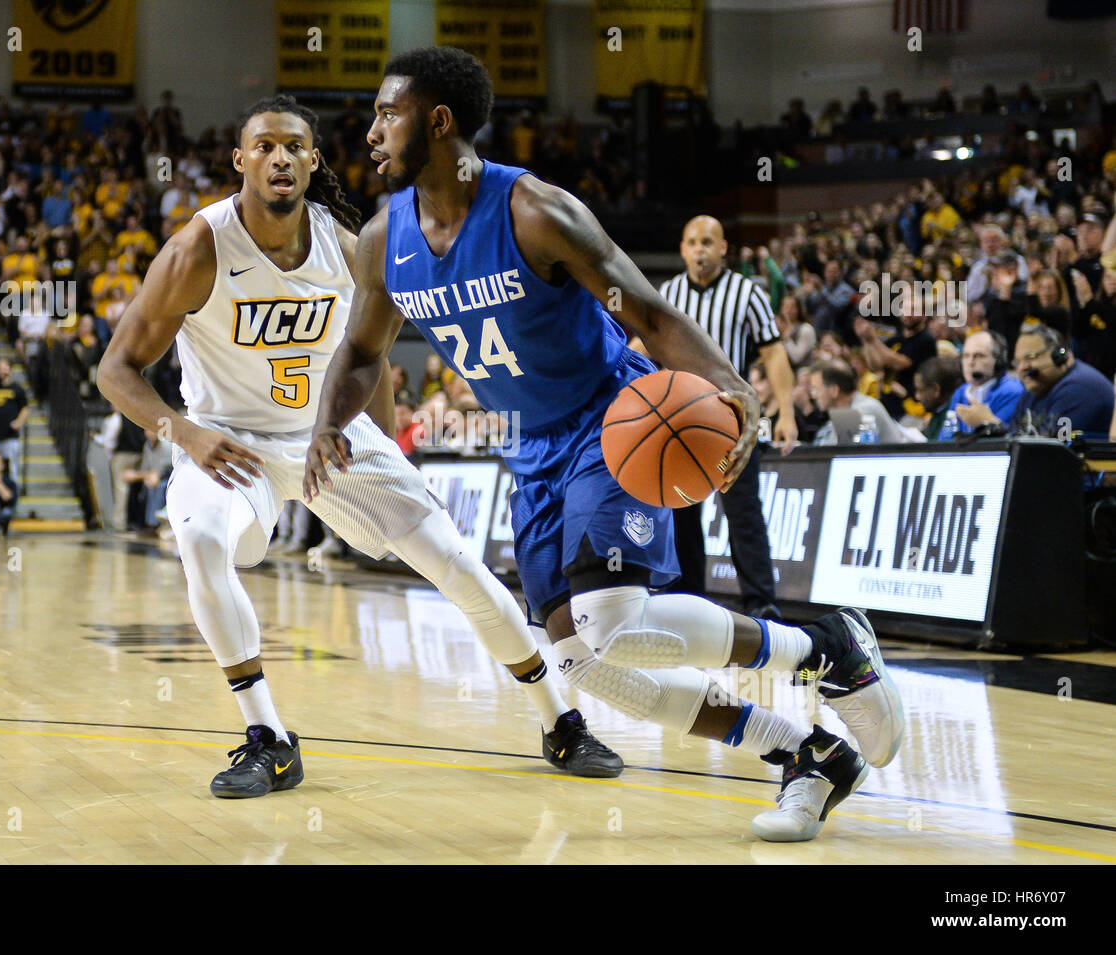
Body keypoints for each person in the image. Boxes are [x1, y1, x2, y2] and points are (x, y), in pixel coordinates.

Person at [305, 47, 903, 842]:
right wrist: (327, 424)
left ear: (438, 121)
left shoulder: (536, 212)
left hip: (611, 419)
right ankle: (807, 753)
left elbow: (648, 314)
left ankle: (823, 645)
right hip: (529, 448)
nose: (372, 129)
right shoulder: (382, 240)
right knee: (584, 661)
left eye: (388, 112)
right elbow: (363, 352)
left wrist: (736, 391)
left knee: (611, 621)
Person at [97, 94, 623, 802]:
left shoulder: (349, 246)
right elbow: (115, 369)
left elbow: (367, 354)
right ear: (240, 161)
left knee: (456, 564)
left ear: (313, 161)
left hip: (327, 439)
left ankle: (560, 718)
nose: (279, 157)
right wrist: (185, 432)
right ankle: (270, 739)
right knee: (200, 540)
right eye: (264, 146)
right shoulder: (199, 248)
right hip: (231, 444)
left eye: (293, 147)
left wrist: (373, 436)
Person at [649, 214, 794, 619]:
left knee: (744, 513)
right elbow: (642, 347)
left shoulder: (747, 293)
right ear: (682, 249)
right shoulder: (667, 294)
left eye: (708, 241)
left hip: (733, 422)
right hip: (678, 422)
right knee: (680, 514)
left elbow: (774, 352)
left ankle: (761, 602)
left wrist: (786, 411)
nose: (700, 249)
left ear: (723, 248)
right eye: (692, 241)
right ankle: (687, 599)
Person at [1012, 324, 1114, 438]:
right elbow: (1013, 436)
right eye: (1017, 361)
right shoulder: (1035, 388)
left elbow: (1051, 447)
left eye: (1030, 357)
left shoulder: (1080, 387)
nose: (1021, 368)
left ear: (1059, 355)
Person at [808, 359, 908, 445]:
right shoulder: (844, 414)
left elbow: (849, 457)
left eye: (815, 389)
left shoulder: (863, 411)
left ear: (834, 390)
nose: (813, 395)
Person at [948, 329, 1026, 434]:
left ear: (998, 361)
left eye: (979, 356)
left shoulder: (1013, 392)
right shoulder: (960, 393)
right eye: (966, 356)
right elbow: (946, 437)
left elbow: (997, 440)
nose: (970, 362)